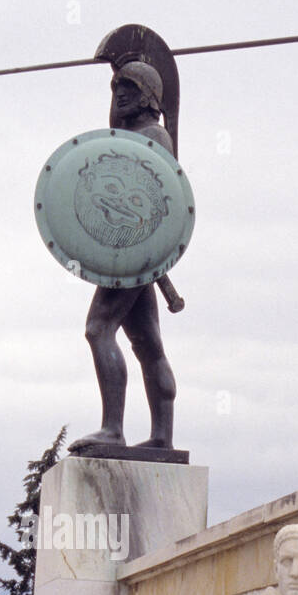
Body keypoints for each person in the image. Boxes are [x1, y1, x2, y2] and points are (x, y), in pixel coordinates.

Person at [69, 62, 178, 453]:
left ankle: (113, 428)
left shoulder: (151, 136)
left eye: (129, 86)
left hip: (131, 252)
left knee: (99, 329)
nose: (120, 94)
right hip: (136, 253)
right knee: (148, 343)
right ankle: (162, 436)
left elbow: (154, 199)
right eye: (117, 88)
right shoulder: (140, 135)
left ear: (149, 94)